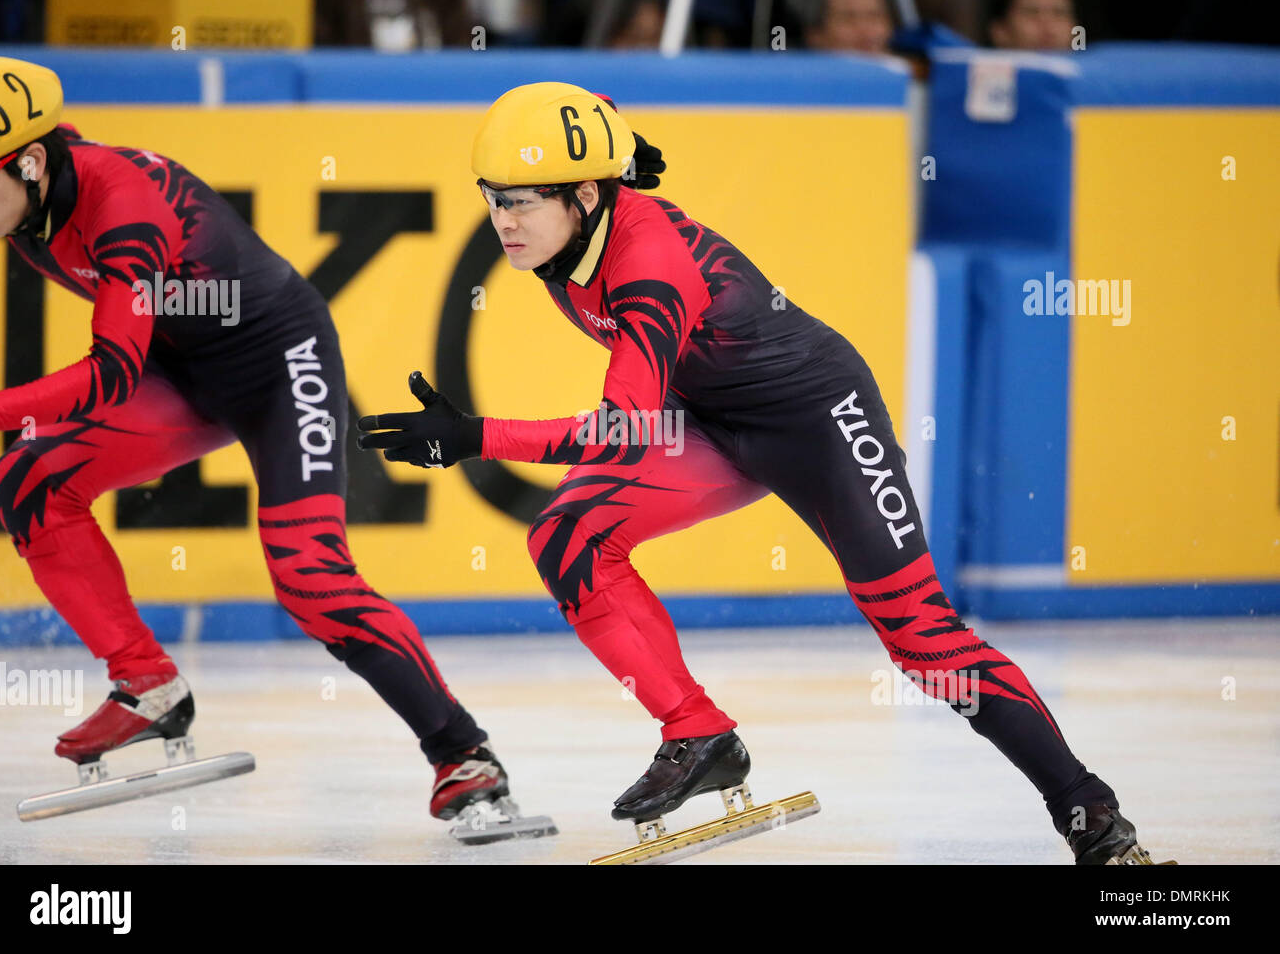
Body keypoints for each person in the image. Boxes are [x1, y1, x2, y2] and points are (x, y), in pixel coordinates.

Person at [357, 81, 1167, 863]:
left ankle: (1089, 812)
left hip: (818, 420)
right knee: (568, 538)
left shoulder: (647, 267)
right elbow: (595, 120)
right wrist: (622, 142)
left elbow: (624, 431)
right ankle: (697, 733)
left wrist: (474, 436)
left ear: (587, 198)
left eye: (523, 200)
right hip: (710, 421)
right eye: (493, 196)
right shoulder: (579, 219)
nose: (502, 219)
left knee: (923, 641)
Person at [0, 56, 521, 826]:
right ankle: (148, 684)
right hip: (180, 367)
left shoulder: (119, 205)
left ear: (31, 163)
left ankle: (462, 752)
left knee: (312, 580)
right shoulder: (23, 183)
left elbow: (107, 374)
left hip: (276, 360)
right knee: (31, 483)